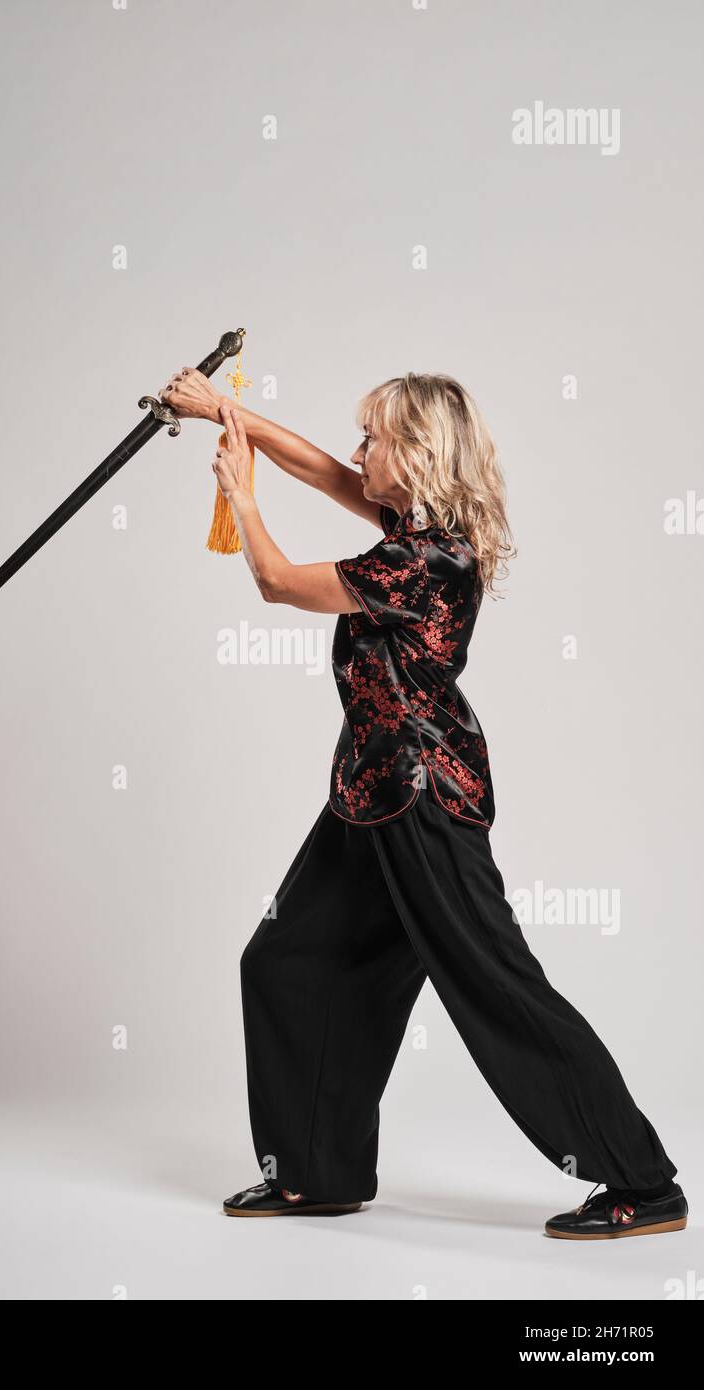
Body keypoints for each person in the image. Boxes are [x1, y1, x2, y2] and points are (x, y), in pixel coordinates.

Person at [159, 365, 686, 1240]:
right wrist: (227, 412)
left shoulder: (422, 558)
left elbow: (278, 583)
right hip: (366, 792)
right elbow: (328, 473)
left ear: (417, 454)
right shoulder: (415, 526)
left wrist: (239, 492)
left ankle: (641, 1182)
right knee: (285, 960)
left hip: (423, 794)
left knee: (496, 986)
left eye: (374, 438)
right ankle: (314, 1175)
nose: (358, 451)